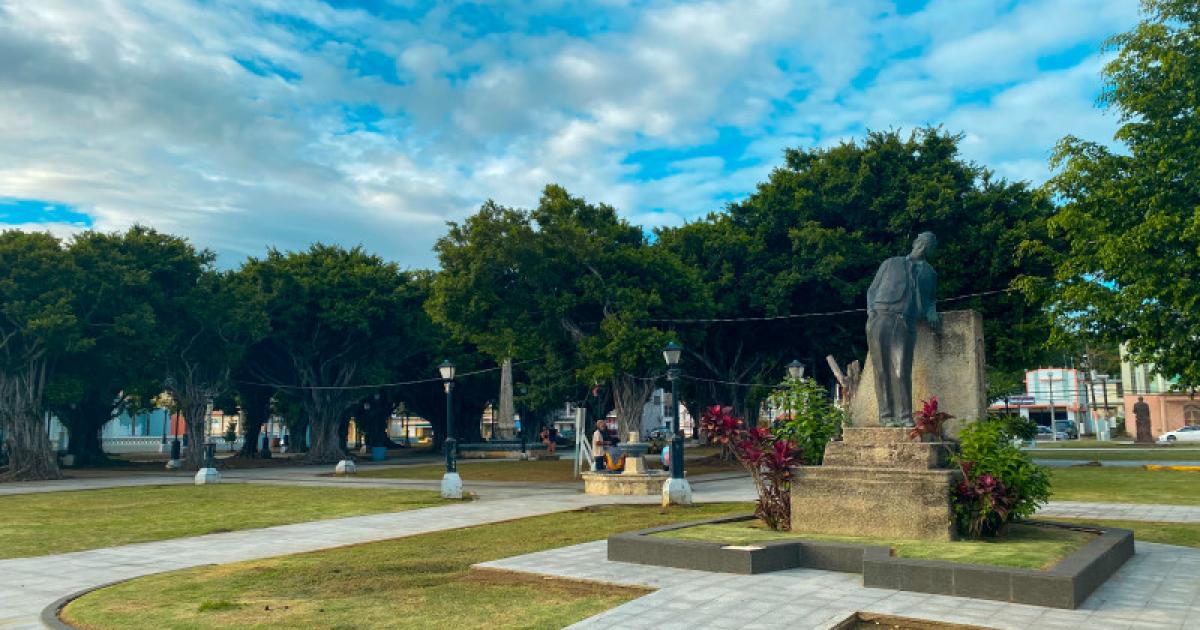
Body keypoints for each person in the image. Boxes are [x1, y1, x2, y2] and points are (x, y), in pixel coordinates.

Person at [866, 231, 940, 427]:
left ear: (931, 249)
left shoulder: (930, 273)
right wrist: (871, 314)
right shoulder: (891, 263)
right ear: (915, 242)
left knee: (901, 371)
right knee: (881, 370)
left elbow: (931, 299)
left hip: (905, 321)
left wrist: (932, 311)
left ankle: (905, 416)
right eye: (922, 240)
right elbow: (872, 290)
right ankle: (886, 416)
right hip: (881, 316)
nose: (924, 244)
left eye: (929, 243)